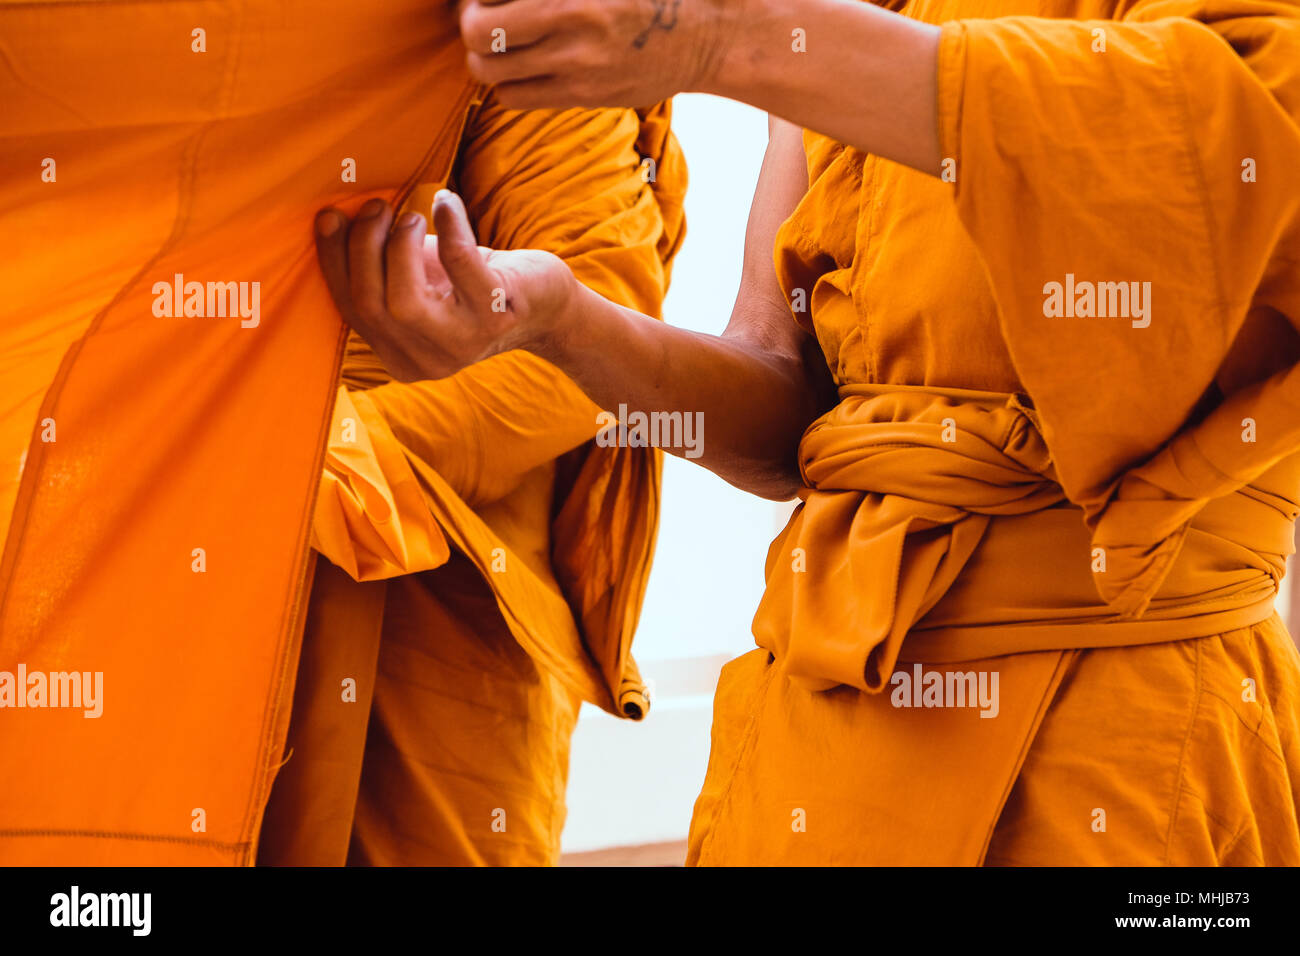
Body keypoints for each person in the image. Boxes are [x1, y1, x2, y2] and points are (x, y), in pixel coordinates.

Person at [315, 0, 1300, 863]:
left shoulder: (780, 34)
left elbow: (1221, 136)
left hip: (1119, 722)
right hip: (821, 720)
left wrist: (725, 37)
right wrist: (560, 325)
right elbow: (792, 411)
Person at [0, 0, 681, 866]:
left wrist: (277, 463)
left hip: (405, 612)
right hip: (92, 559)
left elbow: (590, 334)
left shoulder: (502, 21)